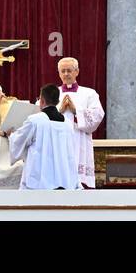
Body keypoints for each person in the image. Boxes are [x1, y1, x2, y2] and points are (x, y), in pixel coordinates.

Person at [8, 84, 79, 190]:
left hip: (39, 182)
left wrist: (11, 135)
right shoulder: (68, 124)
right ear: (58, 101)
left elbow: (18, 142)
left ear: (41, 101)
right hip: (64, 179)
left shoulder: (35, 120)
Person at [55, 57, 103, 188]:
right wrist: (60, 110)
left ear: (77, 72)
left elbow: (98, 115)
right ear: (59, 73)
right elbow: (42, 114)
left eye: (69, 70)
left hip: (79, 140)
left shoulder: (89, 93)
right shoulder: (53, 93)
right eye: (62, 71)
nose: (66, 74)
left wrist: (76, 111)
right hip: (58, 141)